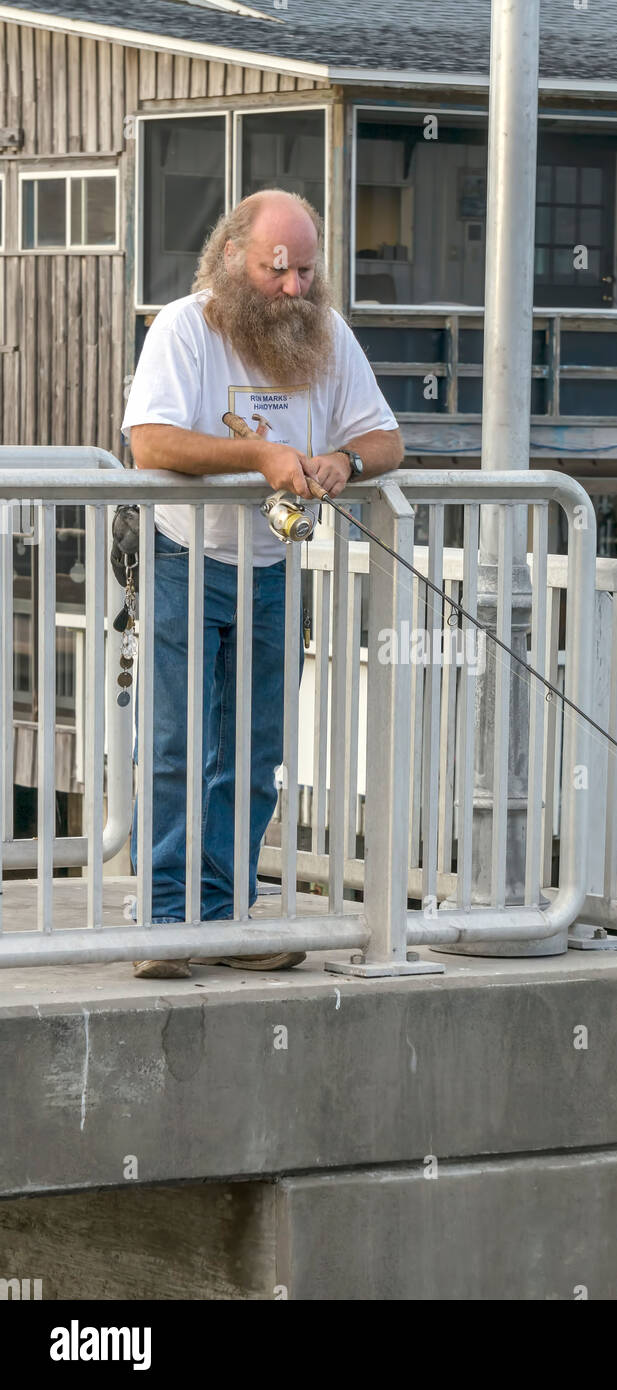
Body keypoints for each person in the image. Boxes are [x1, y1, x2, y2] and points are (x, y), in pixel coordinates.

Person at [121, 189, 403, 978]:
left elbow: (386, 436)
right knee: (178, 742)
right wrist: (259, 456)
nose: (292, 287)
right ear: (231, 258)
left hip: (273, 567)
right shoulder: (186, 325)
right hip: (185, 556)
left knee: (255, 749)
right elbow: (149, 441)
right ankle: (164, 920)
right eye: (276, 268)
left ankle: (224, 915)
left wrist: (343, 460)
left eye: (305, 271)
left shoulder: (325, 331)